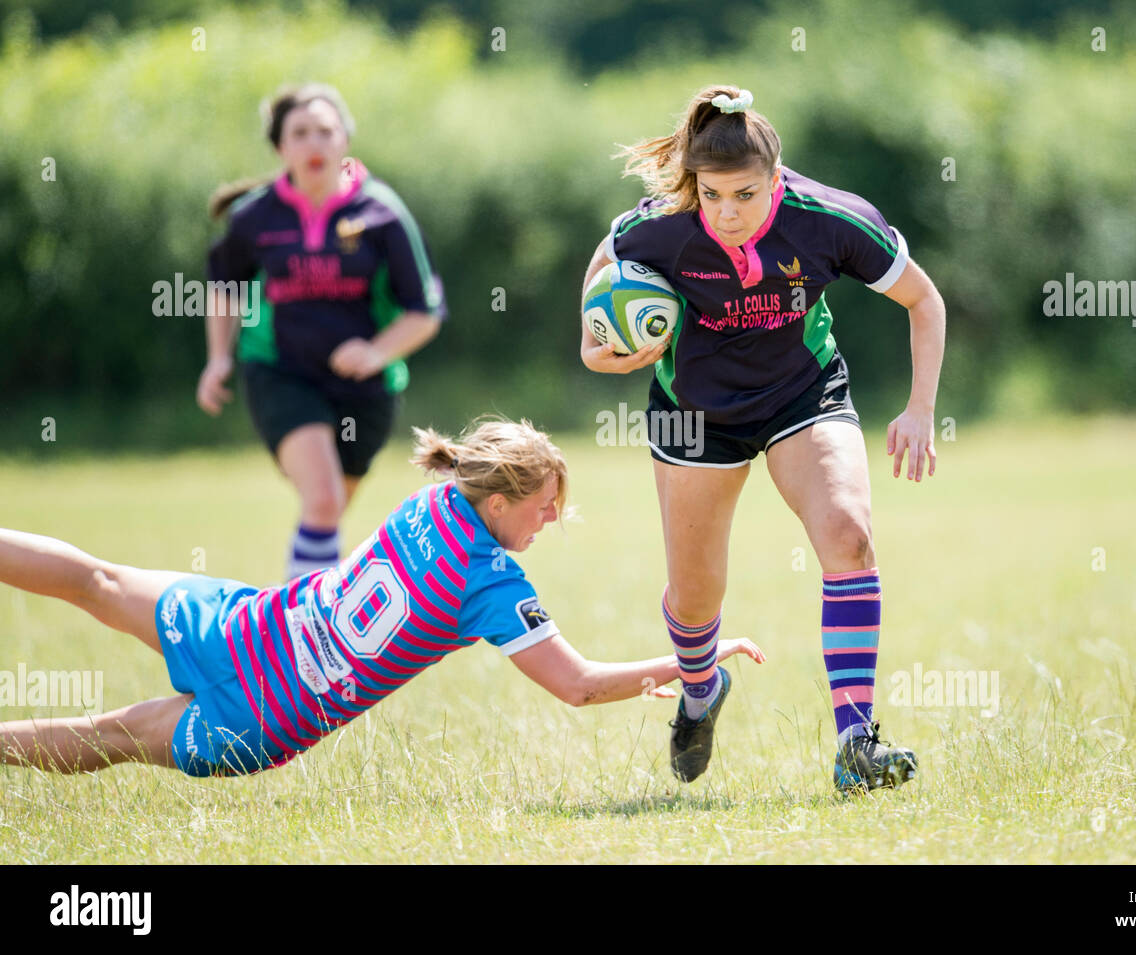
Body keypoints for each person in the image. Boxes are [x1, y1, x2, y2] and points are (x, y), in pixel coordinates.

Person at [0, 419, 765, 777]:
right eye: (545, 504)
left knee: (94, 580)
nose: (554, 519)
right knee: (111, 734)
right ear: (499, 504)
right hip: (264, 718)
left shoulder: (433, 502)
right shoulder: (491, 581)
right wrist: (693, 659)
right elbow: (579, 684)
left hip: (246, 627)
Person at [579, 86, 945, 793]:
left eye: (744, 194)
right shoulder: (660, 226)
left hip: (801, 396)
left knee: (848, 533)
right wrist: (598, 348)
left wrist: (920, 407)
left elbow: (922, 299)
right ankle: (698, 692)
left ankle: (856, 742)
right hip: (695, 412)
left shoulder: (829, 220)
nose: (726, 212)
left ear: (777, 178)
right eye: (711, 194)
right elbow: (602, 274)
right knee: (693, 597)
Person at [197, 82, 446, 581]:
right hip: (280, 373)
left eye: (326, 132)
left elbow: (425, 310)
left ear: (345, 142)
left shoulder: (382, 213)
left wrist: (376, 352)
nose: (315, 143)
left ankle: (317, 612)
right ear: (280, 147)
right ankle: (294, 634)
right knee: (325, 499)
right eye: (301, 133)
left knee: (330, 510)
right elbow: (224, 286)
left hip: (365, 391)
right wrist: (219, 357)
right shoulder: (256, 217)